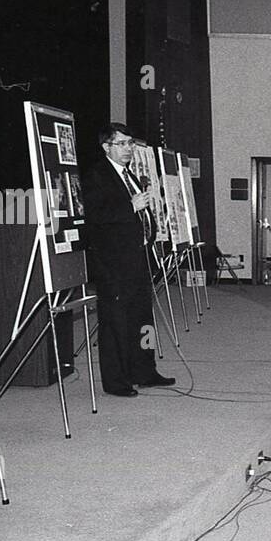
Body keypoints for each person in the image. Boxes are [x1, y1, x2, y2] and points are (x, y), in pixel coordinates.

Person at [82, 123, 174, 397]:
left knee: (143, 319)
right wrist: (130, 206)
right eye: (121, 144)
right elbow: (93, 215)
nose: (128, 149)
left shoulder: (130, 174)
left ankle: (145, 370)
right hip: (114, 263)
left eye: (130, 143)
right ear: (106, 147)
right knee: (116, 322)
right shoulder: (96, 175)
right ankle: (116, 381)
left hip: (138, 257)